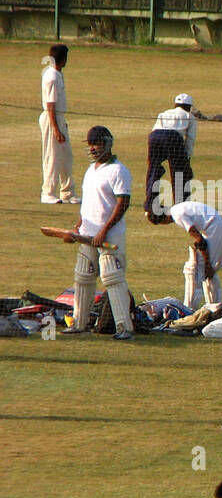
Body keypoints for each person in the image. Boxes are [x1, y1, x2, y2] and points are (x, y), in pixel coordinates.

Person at [60, 126, 134, 340]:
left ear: (108, 143)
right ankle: (79, 324)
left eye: (97, 143)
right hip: (87, 235)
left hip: (110, 236)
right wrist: (77, 228)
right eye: (90, 144)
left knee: (113, 278)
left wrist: (104, 231)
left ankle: (124, 328)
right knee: (83, 277)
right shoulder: (91, 170)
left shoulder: (119, 170)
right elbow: (88, 204)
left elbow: (123, 203)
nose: (93, 148)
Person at [150, 200, 222, 308]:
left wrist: (207, 262)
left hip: (215, 229)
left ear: (162, 221)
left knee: (195, 269)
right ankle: (215, 307)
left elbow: (200, 241)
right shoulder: (178, 208)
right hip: (220, 226)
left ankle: (189, 309)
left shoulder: (177, 215)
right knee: (208, 271)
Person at [144, 94, 199, 214]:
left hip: (155, 137)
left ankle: (150, 204)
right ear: (189, 107)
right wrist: (187, 156)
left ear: (175, 104)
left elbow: (154, 130)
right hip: (173, 138)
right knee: (179, 171)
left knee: (153, 169)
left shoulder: (164, 113)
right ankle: (181, 204)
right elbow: (190, 138)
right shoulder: (189, 116)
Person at [39, 43, 75, 205]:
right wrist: (55, 129)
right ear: (63, 59)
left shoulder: (57, 74)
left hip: (59, 118)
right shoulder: (51, 77)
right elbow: (50, 105)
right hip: (51, 118)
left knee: (66, 156)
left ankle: (67, 193)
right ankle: (48, 192)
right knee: (52, 156)